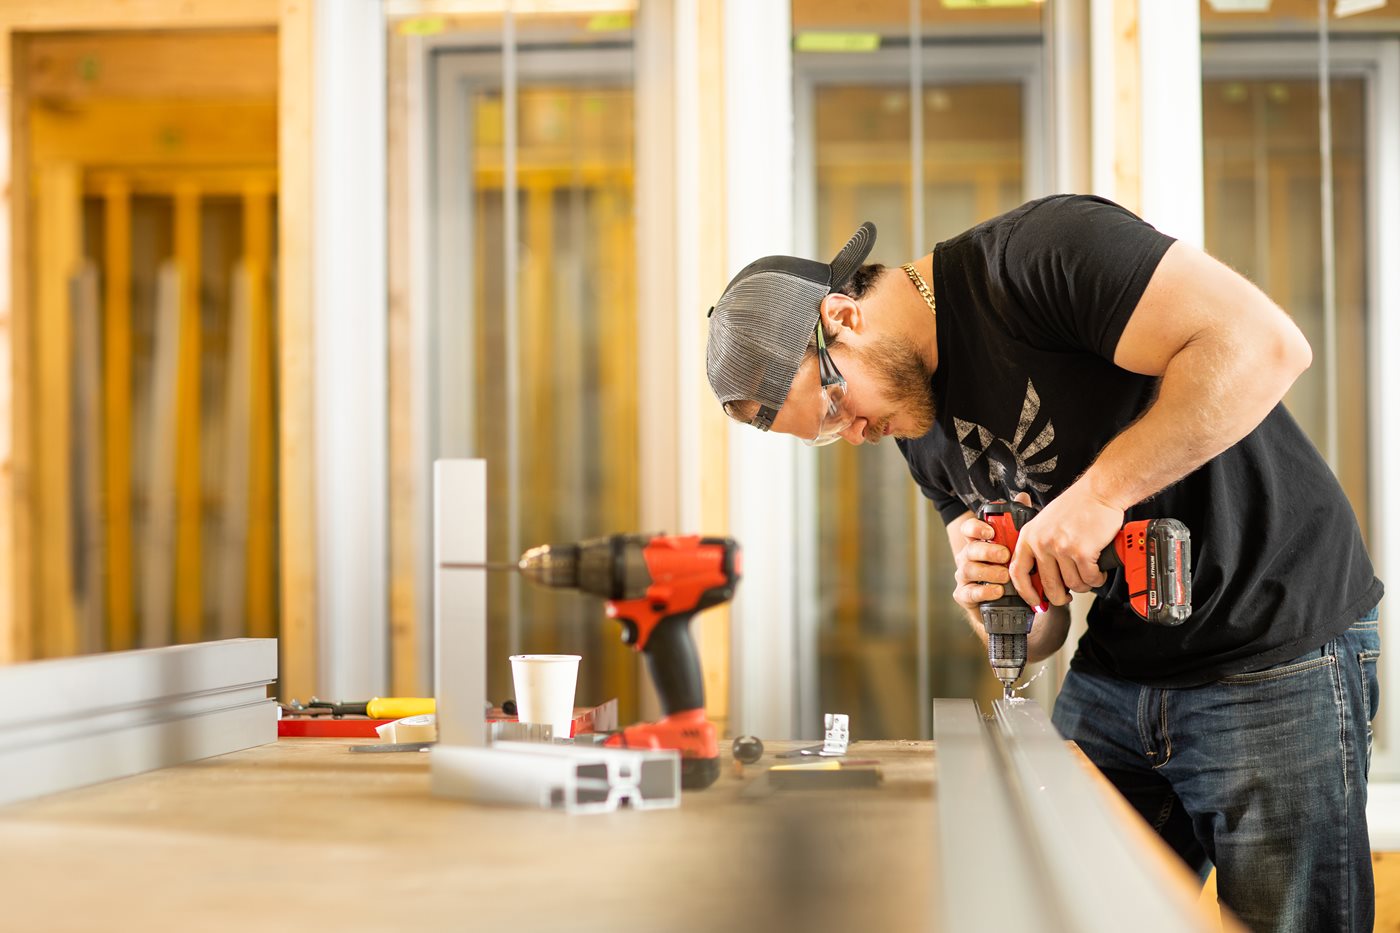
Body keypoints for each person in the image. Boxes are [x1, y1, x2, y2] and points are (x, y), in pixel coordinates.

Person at [704, 194, 1383, 933]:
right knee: (1051, 904)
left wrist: (1101, 494)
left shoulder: (1039, 256)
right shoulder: (913, 417)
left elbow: (1268, 345)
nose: (858, 434)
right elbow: (1042, 632)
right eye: (828, 436)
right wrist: (1000, 603)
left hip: (1273, 642)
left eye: (835, 407)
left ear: (842, 316)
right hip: (1124, 668)